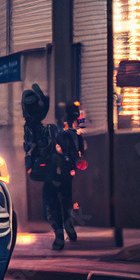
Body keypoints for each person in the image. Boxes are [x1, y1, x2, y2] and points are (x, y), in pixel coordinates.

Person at [22, 86, 85, 251]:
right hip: (62, 172)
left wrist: (30, 165)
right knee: (64, 201)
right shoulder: (51, 128)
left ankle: (60, 235)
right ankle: (67, 227)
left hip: (54, 173)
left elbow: (31, 149)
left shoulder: (36, 130)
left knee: (51, 206)